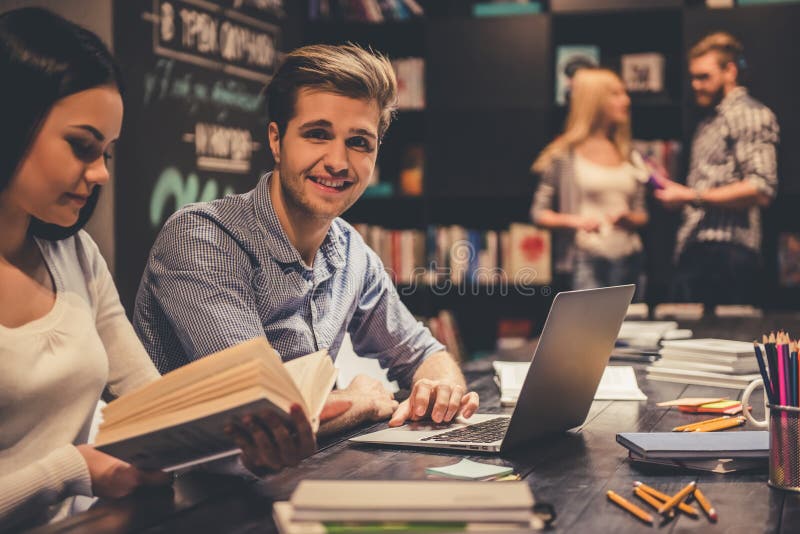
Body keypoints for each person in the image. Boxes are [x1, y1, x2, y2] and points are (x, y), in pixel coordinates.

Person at [0, 9, 347, 530]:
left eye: (108, 154)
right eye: (81, 146)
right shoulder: (202, 236)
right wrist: (71, 469)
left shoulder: (77, 258)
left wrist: (250, 446)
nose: (98, 174)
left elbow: (154, 409)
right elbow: (78, 467)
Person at [134, 44, 480, 434]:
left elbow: (423, 352)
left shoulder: (350, 250)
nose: (338, 161)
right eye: (318, 134)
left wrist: (442, 387)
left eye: (359, 142)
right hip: (192, 489)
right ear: (276, 141)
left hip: (301, 476)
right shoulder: (202, 239)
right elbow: (263, 413)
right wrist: (360, 401)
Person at [654, 32, 779, 306]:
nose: (696, 85)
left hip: (728, 253)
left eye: (704, 76)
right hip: (698, 249)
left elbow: (761, 188)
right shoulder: (710, 120)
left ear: (730, 71)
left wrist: (690, 196)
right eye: (693, 77)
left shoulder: (747, 114)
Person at [530, 68, 649, 295]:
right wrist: (577, 221)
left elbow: (642, 213)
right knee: (590, 329)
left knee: (632, 328)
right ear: (595, 101)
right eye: (616, 94)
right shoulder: (564, 156)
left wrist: (629, 219)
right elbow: (538, 213)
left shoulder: (630, 153)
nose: (626, 100)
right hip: (586, 259)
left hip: (630, 259)